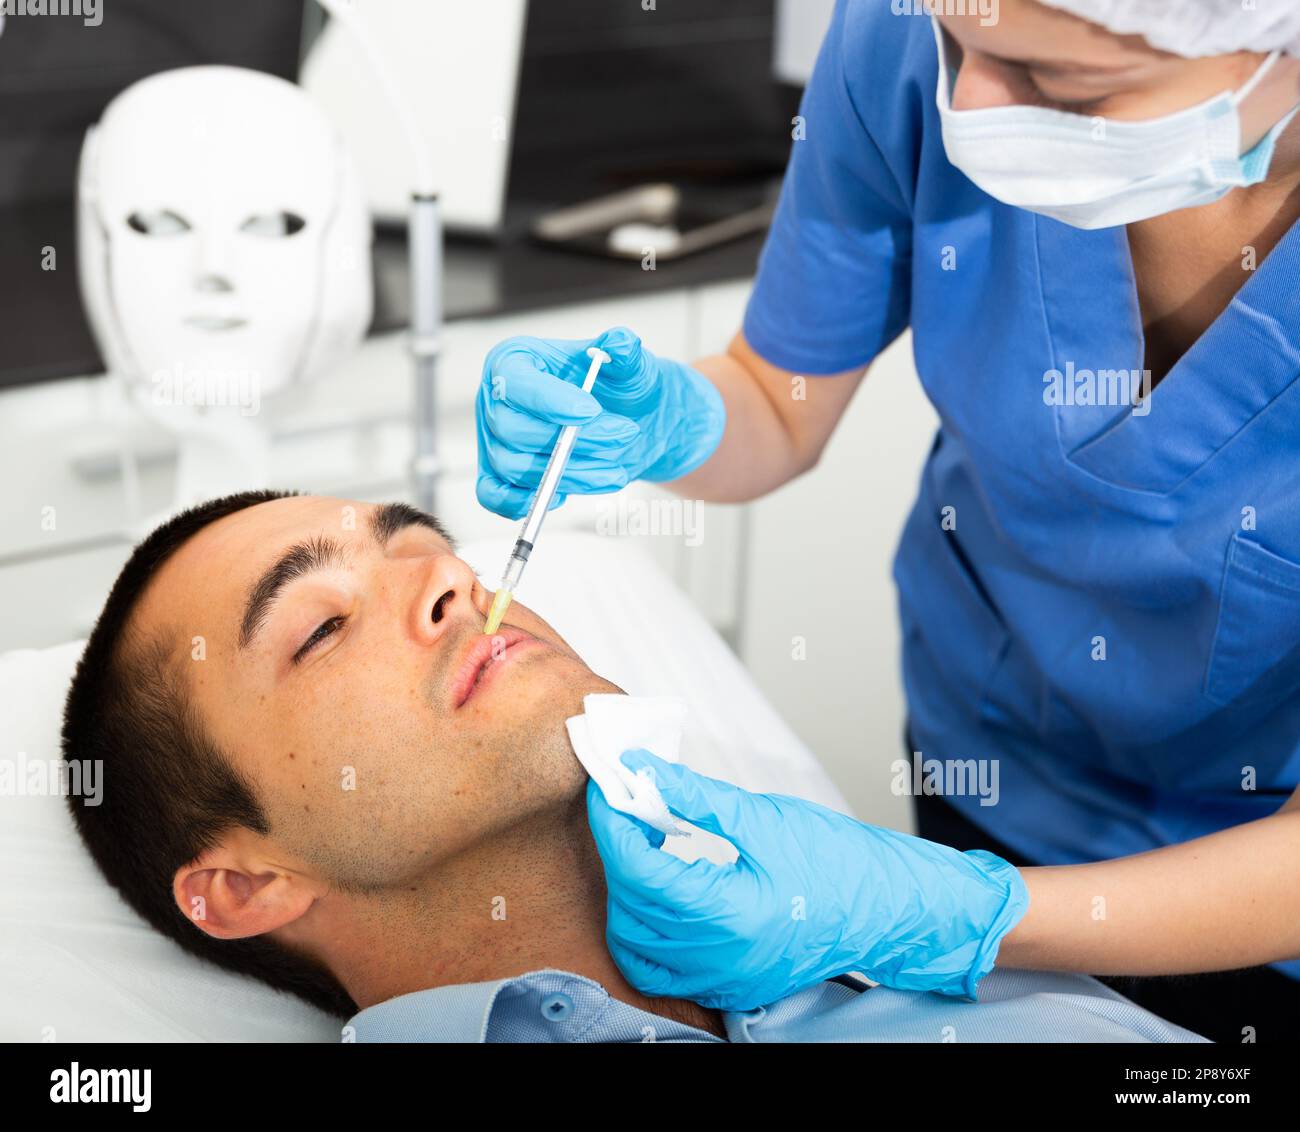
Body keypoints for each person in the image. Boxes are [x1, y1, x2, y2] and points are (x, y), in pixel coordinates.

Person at [474, 0, 1300, 1042]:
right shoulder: (904, 35)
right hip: (989, 762)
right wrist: (668, 424)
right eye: (956, 41)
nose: (968, 103)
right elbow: (778, 402)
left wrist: (948, 915)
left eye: (1058, 81)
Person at [61, 490, 1202, 1042]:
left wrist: (972, 916)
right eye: (320, 626)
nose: (453, 581)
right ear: (244, 883)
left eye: (426, 549)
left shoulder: (895, 931)